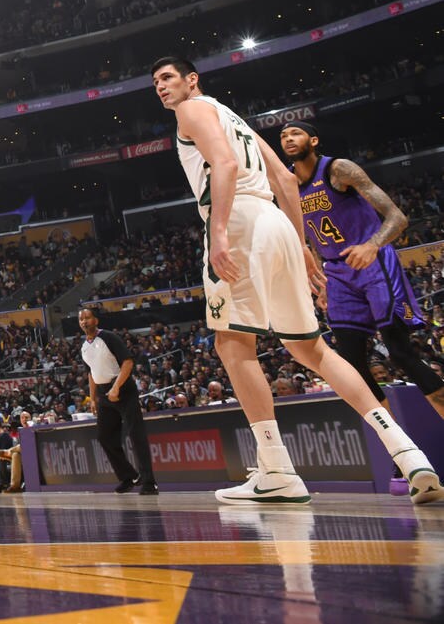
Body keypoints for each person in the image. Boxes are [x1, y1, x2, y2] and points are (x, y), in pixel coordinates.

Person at [150, 55, 441, 504]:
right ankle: (406, 451)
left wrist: (220, 231)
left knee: (232, 343)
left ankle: (277, 469)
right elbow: (286, 181)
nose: (161, 87)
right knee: (311, 348)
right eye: (155, 82)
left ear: (192, 80)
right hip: (278, 224)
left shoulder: (192, 110)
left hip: (240, 219)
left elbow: (224, 166)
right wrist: (303, 248)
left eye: (168, 77)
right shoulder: (233, 116)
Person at [279, 122, 444, 421]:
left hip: (373, 261)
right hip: (338, 273)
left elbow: (397, 217)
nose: (289, 139)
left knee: (400, 353)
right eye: (283, 136)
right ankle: (400, 449)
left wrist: (372, 245)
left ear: (313, 140)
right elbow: (313, 237)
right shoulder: (288, 184)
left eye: (296, 133)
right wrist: (324, 281)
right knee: (351, 363)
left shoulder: (338, 169)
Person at [78, 307, 157, 494]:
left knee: (136, 435)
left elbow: (128, 362)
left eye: (87, 318)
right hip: (104, 393)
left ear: (96, 320)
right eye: (81, 319)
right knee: (105, 437)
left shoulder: (109, 337)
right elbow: (91, 373)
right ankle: (128, 477)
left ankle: (149, 483)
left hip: (123, 389)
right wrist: (93, 398)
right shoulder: (84, 346)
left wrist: (116, 388)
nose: (84, 322)